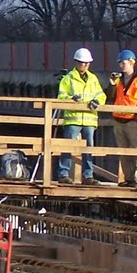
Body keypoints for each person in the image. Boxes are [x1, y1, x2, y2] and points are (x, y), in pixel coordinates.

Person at [54, 46, 105, 184]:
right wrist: (71, 99)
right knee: (68, 147)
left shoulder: (93, 78)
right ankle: (63, 174)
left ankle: (88, 176)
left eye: (88, 63)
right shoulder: (68, 79)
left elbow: (101, 95)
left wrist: (97, 101)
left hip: (89, 120)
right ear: (77, 63)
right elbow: (61, 97)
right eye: (83, 62)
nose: (86, 65)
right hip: (73, 118)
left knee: (88, 148)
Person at [106, 48, 137, 187]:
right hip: (118, 120)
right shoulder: (118, 80)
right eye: (119, 63)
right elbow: (110, 96)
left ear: (132, 62)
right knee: (123, 152)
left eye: (122, 63)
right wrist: (112, 84)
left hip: (132, 121)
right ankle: (129, 178)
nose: (121, 66)